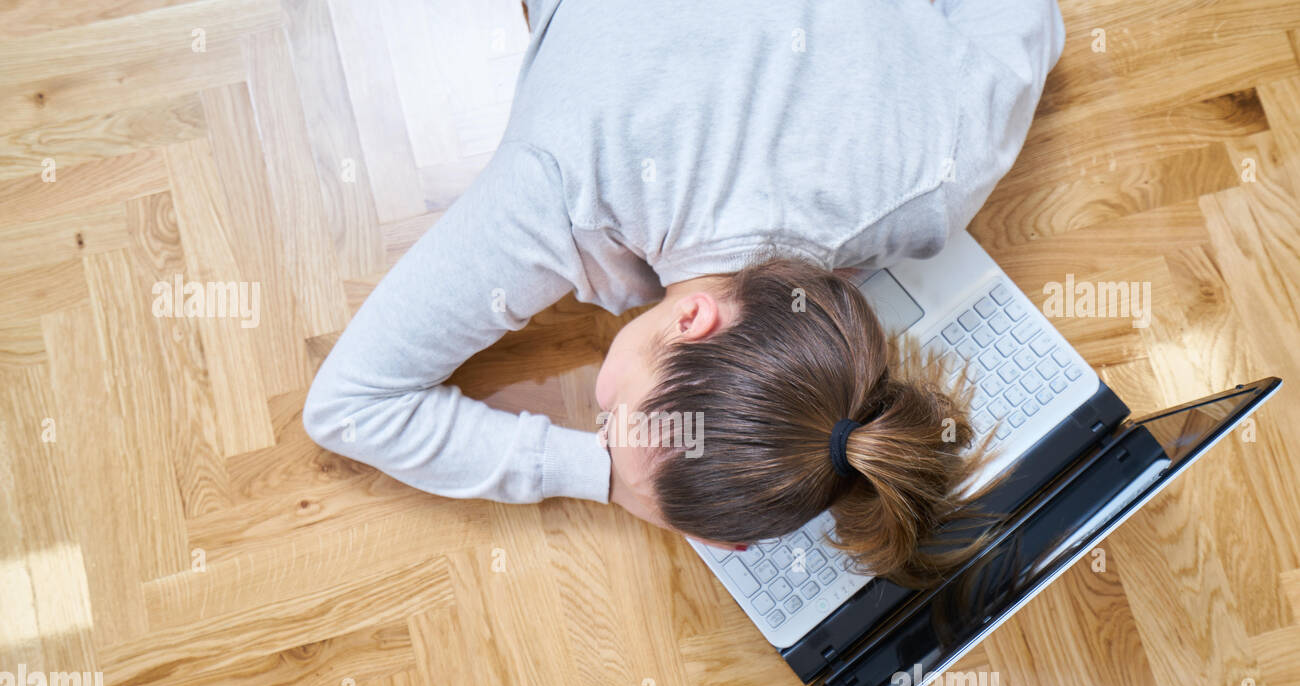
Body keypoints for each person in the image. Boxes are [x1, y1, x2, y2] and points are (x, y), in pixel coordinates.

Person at [303, 0, 1066, 586]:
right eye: (612, 417)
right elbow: (348, 404)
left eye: (604, 428)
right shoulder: (568, 183)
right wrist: (601, 477)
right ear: (694, 320)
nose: (600, 418)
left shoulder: (942, 174)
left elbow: (1029, 19)